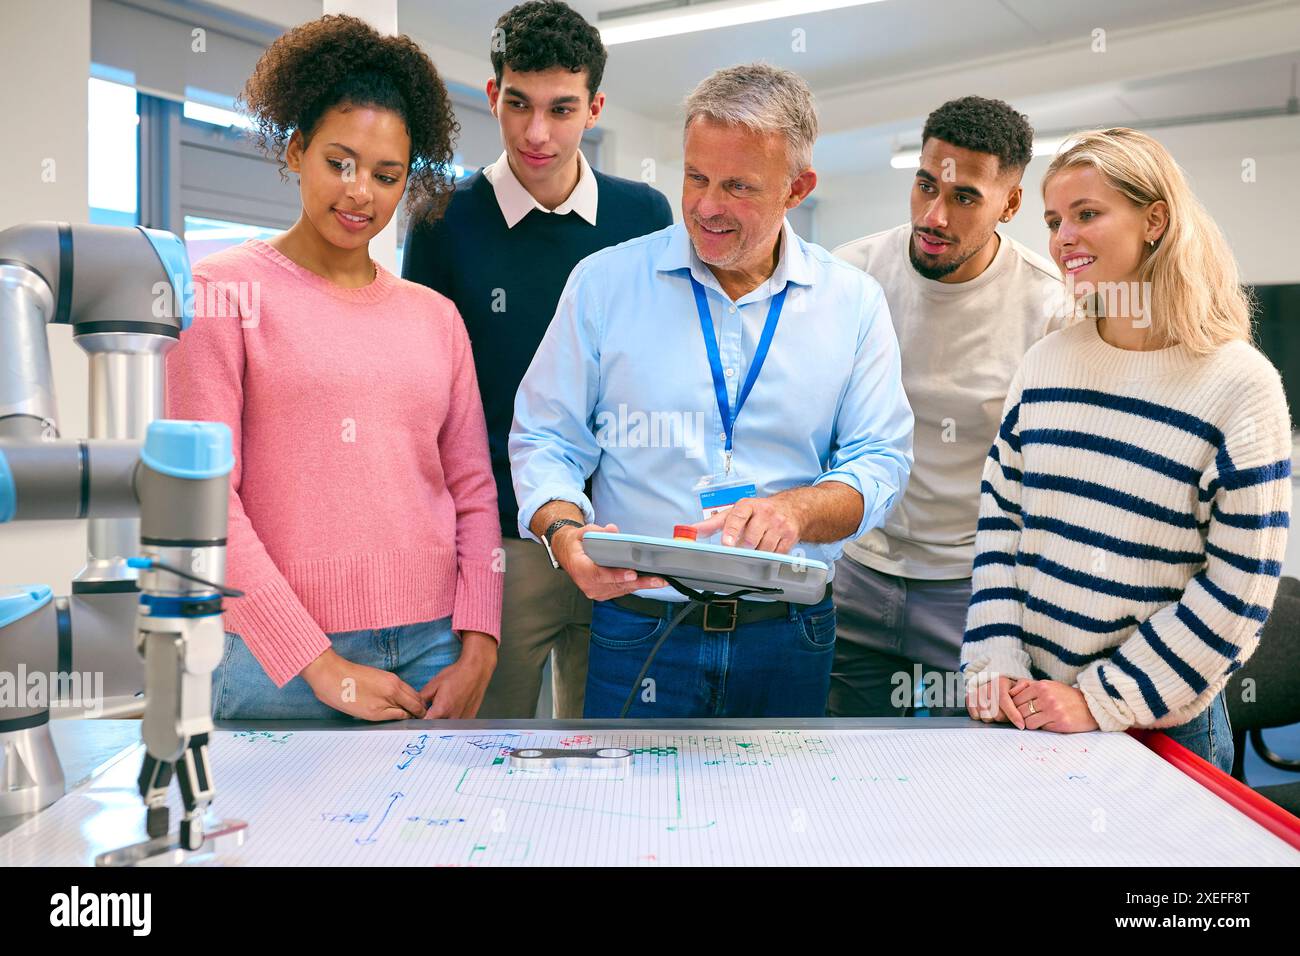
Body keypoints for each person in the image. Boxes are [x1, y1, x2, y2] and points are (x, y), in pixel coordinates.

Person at [510, 63, 913, 719]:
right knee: (627, 819)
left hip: (789, 634)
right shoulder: (606, 283)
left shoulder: (853, 303)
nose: (704, 205)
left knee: (776, 819)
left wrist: (798, 512)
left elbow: (881, 459)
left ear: (798, 188)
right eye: (695, 177)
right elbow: (546, 436)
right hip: (639, 626)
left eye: (738, 186)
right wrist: (562, 530)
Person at [167, 14, 502, 720]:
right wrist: (316, 662)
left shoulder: (434, 318)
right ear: (295, 150)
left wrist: (480, 642)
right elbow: (206, 503)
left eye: (387, 176)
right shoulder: (221, 293)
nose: (360, 194)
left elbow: (472, 488)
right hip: (277, 660)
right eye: (339, 162)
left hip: (432, 649)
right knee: (281, 835)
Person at [963, 127, 1292, 774]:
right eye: (1055, 220)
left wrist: (1098, 700)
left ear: (1154, 221)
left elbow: (1237, 594)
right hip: (1032, 709)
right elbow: (1001, 527)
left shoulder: (1239, 385)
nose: (1062, 238)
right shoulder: (1046, 366)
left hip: (1162, 727)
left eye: (1087, 214)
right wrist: (993, 659)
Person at [402, 0, 672, 719]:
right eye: (517, 104)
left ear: (595, 107)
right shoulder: (442, 219)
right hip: (501, 540)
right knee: (486, 750)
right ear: (493, 94)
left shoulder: (643, 216)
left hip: (621, 532)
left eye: (561, 108)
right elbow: (427, 397)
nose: (536, 132)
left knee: (613, 747)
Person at [829, 96, 1071, 718]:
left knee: (965, 786)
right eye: (925, 186)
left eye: (965, 198)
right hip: (856, 572)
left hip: (972, 591)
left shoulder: (1049, 309)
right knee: (844, 776)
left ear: (1010, 205)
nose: (934, 215)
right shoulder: (850, 278)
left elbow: (1050, 484)